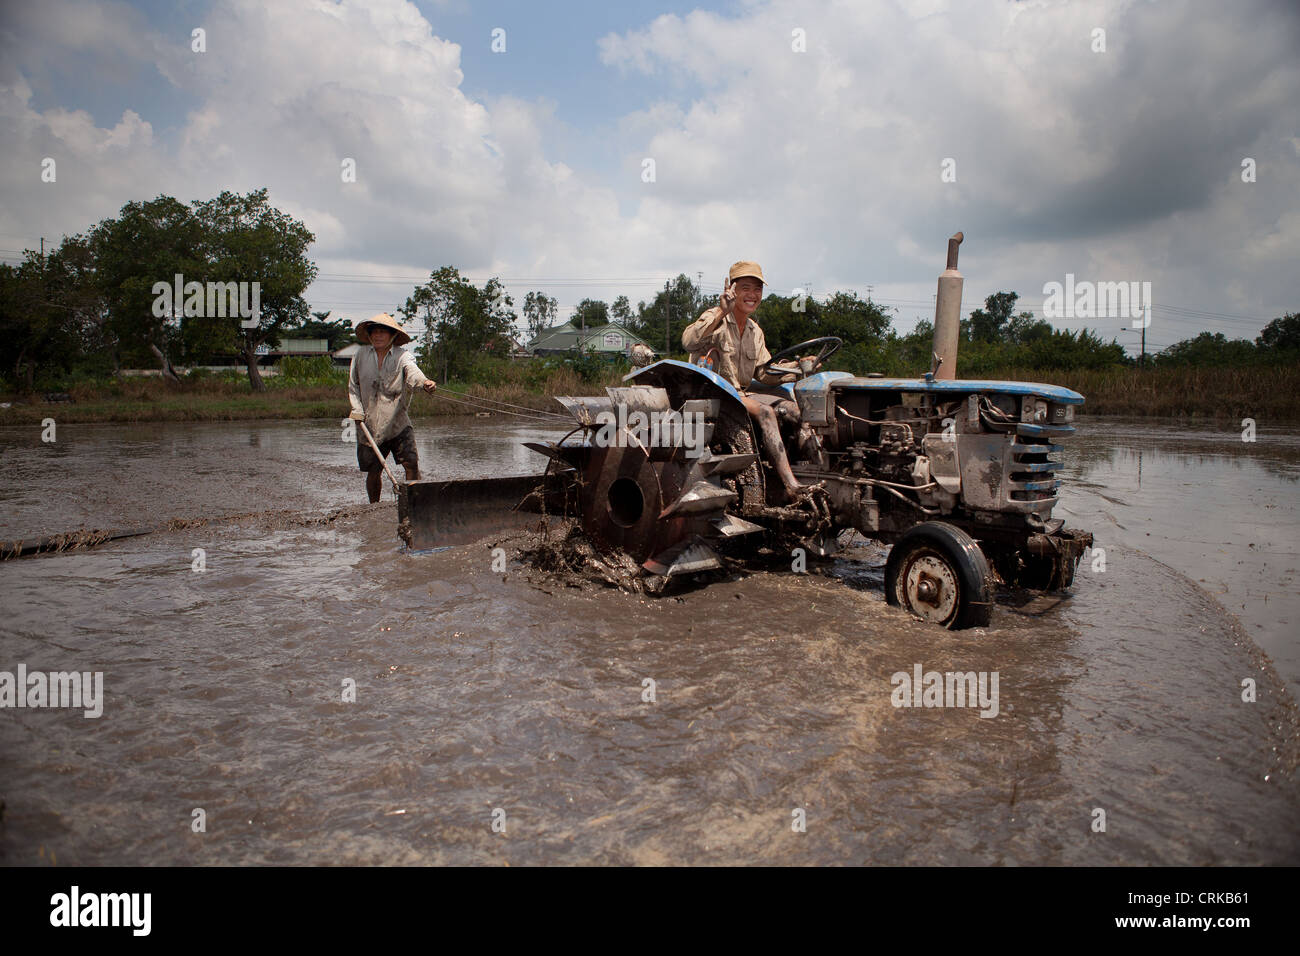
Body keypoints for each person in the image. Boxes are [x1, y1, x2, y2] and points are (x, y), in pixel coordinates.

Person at [682, 261, 818, 503]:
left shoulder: (756, 331)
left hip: (740, 395)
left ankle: (817, 471)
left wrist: (798, 367)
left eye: (757, 289)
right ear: (732, 290)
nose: (752, 295)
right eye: (746, 288)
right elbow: (688, 341)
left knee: (798, 412)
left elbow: (764, 373)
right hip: (714, 396)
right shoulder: (716, 318)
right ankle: (790, 484)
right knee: (765, 412)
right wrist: (722, 311)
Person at [347, 313, 437, 503]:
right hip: (368, 423)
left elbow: (413, 372)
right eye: (375, 332)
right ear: (370, 335)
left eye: (383, 332)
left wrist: (425, 382)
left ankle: (415, 504)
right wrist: (357, 410)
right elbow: (353, 387)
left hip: (397, 422)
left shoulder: (403, 356)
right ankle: (374, 506)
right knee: (373, 470)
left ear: (392, 336)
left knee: (411, 464)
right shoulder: (360, 355)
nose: (378, 336)